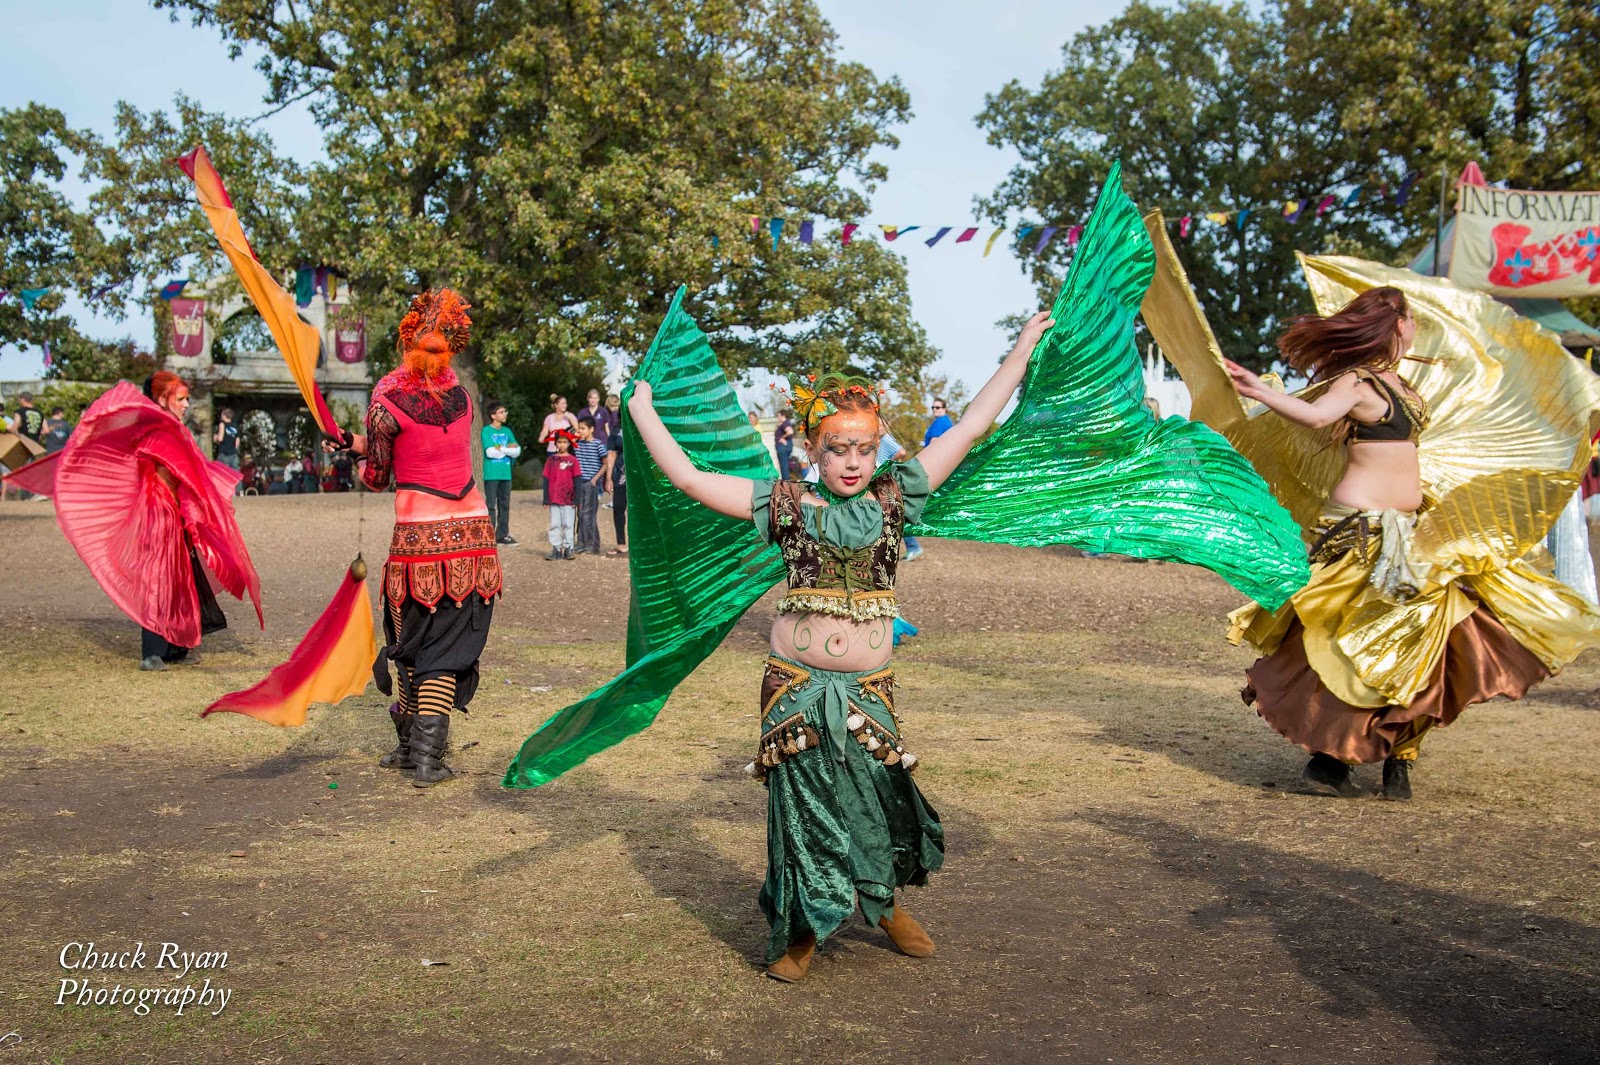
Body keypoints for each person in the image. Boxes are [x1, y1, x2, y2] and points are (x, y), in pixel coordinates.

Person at [625, 310, 1054, 983]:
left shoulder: (898, 495)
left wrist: (1022, 348)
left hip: (868, 690)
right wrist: (643, 407)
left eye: (863, 447)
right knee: (802, 808)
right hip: (794, 688)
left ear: (880, 447)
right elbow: (687, 478)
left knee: (877, 796)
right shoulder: (785, 502)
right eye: (837, 448)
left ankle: (880, 904)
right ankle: (801, 929)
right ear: (811, 448)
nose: (852, 461)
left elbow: (971, 424)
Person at [1226, 286, 1598, 800]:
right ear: (1394, 322)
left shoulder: (1402, 384)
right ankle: (1330, 758)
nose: (1417, 327)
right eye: (1412, 319)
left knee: (1431, 640)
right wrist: (1258, 390)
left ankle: (1399, 755)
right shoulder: (1357, 383)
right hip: (1361, 530)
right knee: (1353, 644)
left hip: (1411, 531)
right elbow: (1315, 415)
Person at [334, 288, 501, 787]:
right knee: (446, 648)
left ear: (407, 341)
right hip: (473, 540)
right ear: (449, 349)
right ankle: (419, 753)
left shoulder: (386, 401)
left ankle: (419, 753)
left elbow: (380, 475)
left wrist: (361, 451)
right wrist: (357, 442)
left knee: (410, 644)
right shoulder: (463, 399)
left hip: (416, 545)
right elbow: (431, 448)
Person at [877, 430, 922, 561]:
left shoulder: (886, 439)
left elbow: (901, 452)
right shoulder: (877, 439)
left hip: (884, 480)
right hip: (880, 480)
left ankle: (913, 547)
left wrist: (887, 462)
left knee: (892, 515)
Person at [481, 401, 522, 545]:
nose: (505, 414)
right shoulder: (486, 431)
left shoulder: (507, 431)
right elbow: (490, 452)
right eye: (501, 412)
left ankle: (502, 535)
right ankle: (490, 536)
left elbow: (517, 451)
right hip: (492, 474)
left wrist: (501, 449)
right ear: (493, 415)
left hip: (506, 474)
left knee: (505, 505)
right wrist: (507, 449)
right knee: (491, 505)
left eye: (505, 412)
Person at [571, 415, 608, 555]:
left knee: (589, 514)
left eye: (583, 428)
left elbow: (606, 463)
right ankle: (581, 542)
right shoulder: (577, 445)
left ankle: (592, 544)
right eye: (579, 428)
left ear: (591, 429)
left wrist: (596, 478)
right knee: (580, 513)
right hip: (579, 482)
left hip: (590, 483)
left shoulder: (598, 444)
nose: (580, 431)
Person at [543, 430, 579, 560]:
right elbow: (546, 479)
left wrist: (577, 498)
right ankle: (556, 548)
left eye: (565, 442)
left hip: (568, 498)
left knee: (568, 524)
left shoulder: (573, 460)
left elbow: (577, 479)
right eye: (559, 442)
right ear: (555, 443)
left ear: (569, 443)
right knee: (555, 524)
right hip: (554, 498)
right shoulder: (551, 460)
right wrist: (546, 498)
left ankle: (569, 548)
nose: (562, 445)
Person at [539, 394, 579, 503]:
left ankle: (568, 495)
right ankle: (552, 496)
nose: (564, 405)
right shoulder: (549, 418)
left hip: (567, 449)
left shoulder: (570, 416)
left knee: (566, 473)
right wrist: (542, 437)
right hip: (552, 449)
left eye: (565, 403)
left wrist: (569, 416)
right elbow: (545, 430)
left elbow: (577, 429)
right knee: (552, 474)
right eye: (562, 403)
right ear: (556, 405)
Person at [602, 413, 627, 557]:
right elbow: (611, 454)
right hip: (620, 473)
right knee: (618, 507)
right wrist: (609, 477)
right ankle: (621, 544)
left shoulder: (640, 426)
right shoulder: (616, 429)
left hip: (638, 473)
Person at [213, 408, 241, 496]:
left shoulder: (222, 424)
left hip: (224, 452)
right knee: (235, 473)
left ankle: (223, 492)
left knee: (221, 473)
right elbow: (237, 442)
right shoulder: (235, 426)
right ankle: (239, 491)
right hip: (233, 453)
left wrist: (215, 438)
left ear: (224, 416)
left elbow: (220, 438)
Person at [773, 407, 795, 482]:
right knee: (785, 466)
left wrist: (782, 438)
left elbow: (790, 432)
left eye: (778, 416)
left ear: (783, 416)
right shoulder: (785, 423)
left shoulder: (784, 423)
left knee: (784, 467)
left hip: (783, 447)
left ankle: (786, 485)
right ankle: (787, 483)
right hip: (786, 446)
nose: (778, 418)